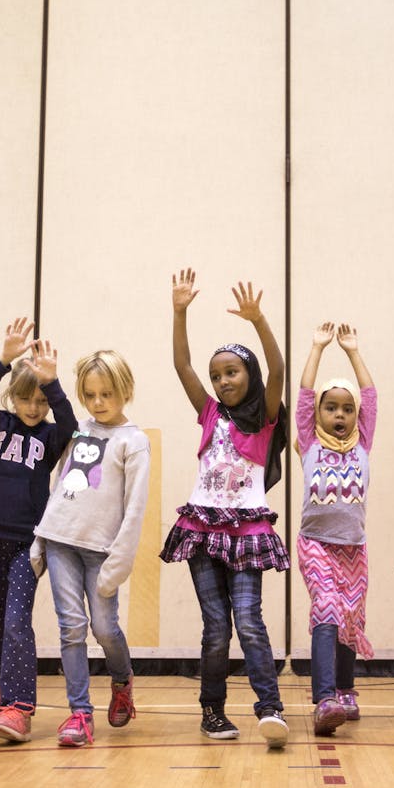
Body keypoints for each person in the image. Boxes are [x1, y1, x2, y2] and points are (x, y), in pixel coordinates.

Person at [160, 268, 291, 749]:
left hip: (247, 532)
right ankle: (212, 712)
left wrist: (258, 321)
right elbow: (182, 367)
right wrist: (179, 312)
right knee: (216, 626)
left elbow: (278, 370)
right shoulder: (210, 412)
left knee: (250, 621)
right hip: (201, 529)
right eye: (217, 375)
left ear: (249, 376)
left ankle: (270, 708)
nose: (220, 380)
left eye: (230, 372)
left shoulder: (264, 417)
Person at [34, 349, 151, 747]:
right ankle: (80, 714)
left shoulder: (133, 442)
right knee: (71, 629)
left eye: (106, 395)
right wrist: (41, 538)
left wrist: (118, 563)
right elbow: (60, 485)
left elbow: (135, 509)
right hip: (60, 542)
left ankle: (122, 680)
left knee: (103, 628)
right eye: (90, 395)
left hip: (101, 552)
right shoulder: (78, 430)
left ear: (125, 391)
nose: (98, 404)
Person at [0, 319, 75, 744]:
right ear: (11, 397)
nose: (33, 408)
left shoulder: (50, 436)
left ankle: (19, 707)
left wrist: (54, 384)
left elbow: (71, 427)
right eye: (26, 400)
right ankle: (1, 688)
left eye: (40, 402)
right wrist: (2, 360)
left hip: (28, 543)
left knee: (16, 621)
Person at [296, 322, 376, 736]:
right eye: (332, 408)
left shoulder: (362, 445)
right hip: (315, 544)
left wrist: (353, 352)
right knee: (326, 607)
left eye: (347, 409)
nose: (339, 414)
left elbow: (372, 397)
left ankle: (346, 689)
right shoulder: (309, 444)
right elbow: (305, 397)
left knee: (349, 617)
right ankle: (324, 697)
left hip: (354, 548)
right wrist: (317, 347)